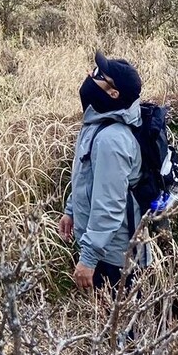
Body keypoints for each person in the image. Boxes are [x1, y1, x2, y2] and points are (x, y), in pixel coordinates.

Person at [59, 54, 146, 291]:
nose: (90, 75)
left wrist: (88, 258)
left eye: (99, 75)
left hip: (116, 256)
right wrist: (71, 210)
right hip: (105, 248)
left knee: (122, 325)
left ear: (113, 94)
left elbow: (109, 206)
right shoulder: (97, 123)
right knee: (108, 322)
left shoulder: (112, 140)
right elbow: (87, 177)